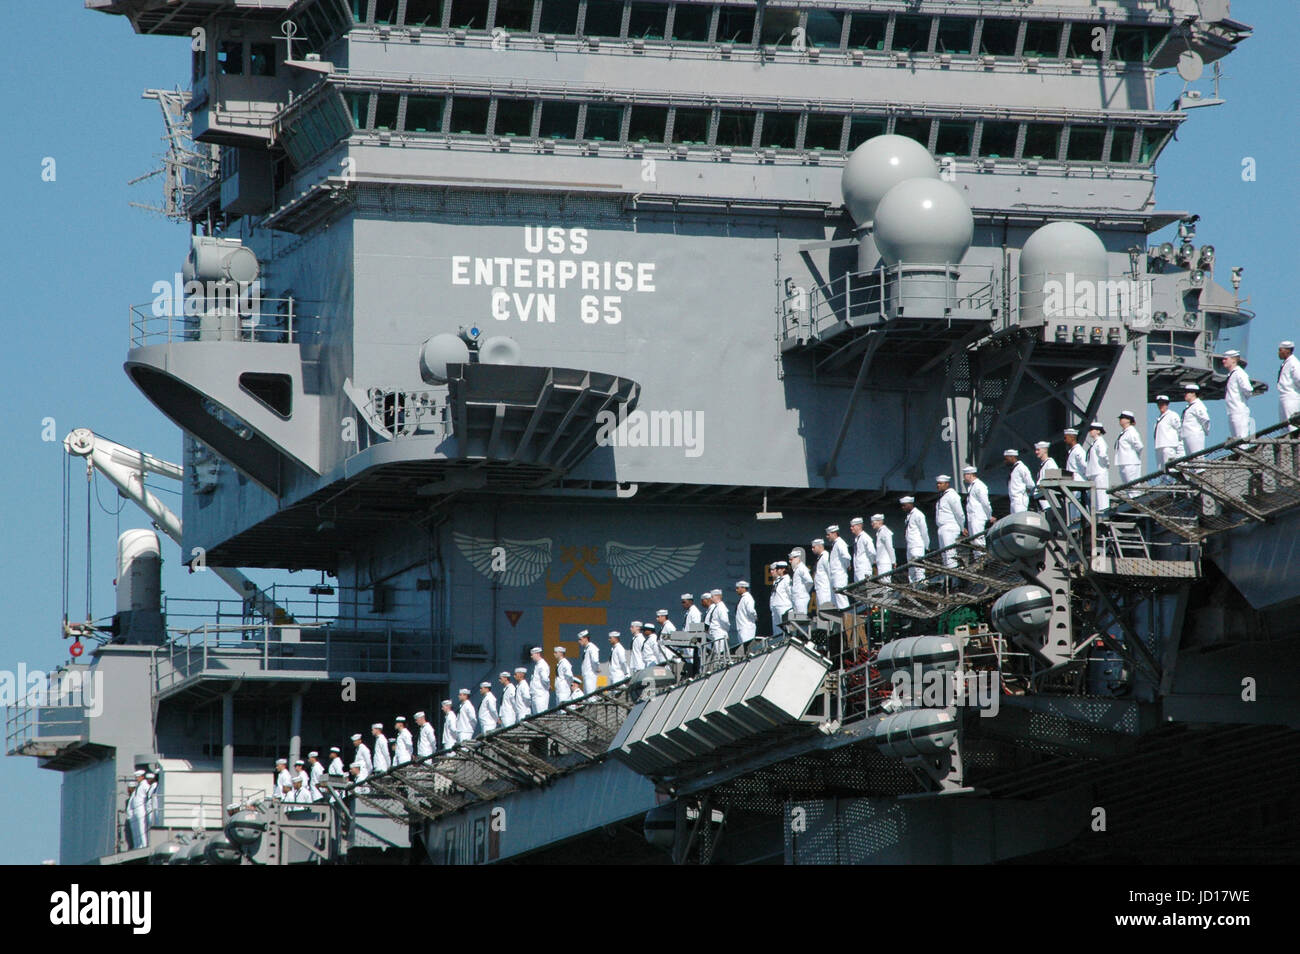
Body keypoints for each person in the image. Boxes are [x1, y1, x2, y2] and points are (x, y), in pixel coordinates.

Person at [934, 475, 964, 568]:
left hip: (950, 527)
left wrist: (962, 527)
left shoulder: (951, 495)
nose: (938, 485)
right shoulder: (942, 497)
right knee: (944, 556)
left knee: (950, 554)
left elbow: (959, 513)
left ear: (947, 484)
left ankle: (954, 577)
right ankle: (949, 578)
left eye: (940, 483)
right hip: (942, 528)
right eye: (937, 483)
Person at [1222, 350, 1254, 440]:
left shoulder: (1239, 373)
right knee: (1235, 439)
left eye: (1225, 359)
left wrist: (1241, 402)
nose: (1223, 361)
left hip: (1239, 411)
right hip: (1232, 410)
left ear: (1233, 360)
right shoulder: (1232, 374)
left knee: (1242, 438)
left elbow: (1248, 390)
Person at [900, 497, 928, 583]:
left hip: (917, 545)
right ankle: (913, 587)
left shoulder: (918, 514)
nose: (903, 507)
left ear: (910, 504)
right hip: (910, 545)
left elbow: (924, 531)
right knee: (911, 569)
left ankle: (922, 586)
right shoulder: (909, 516)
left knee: (918, 568)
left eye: (904, 505)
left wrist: (926, 545)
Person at [1152, 395, 1184, 468]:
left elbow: (1180, 430)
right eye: (1159, 404)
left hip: (1169, 446)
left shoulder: (1172, 415)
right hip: (1159, 446)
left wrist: (1179, 446)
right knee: (1161, 469)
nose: (1160, 406)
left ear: (1167, 404)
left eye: (1162, 404)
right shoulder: (1159, 418)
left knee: (1170, 467)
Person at [1085, 421, 1111, 510]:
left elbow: (1103, 455)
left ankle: (1103, 513)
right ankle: (1098, 514)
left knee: (1101, 494)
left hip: (1099, 472)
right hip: (1094, 472)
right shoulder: (1095, 442)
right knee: (1096, 496)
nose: (1090, 431)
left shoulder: (1100, 441)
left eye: (1092, 429)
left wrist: (1107, 463)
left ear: (1098, 431)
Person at [825, 526, 852, 609]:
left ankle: (847, 617)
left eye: (828, 534)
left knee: (841, 598)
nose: (827, 536)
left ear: (834, 533)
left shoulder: (840, 543)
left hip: (839, 575)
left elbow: (846, 556)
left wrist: (847, 566)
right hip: (835, 576)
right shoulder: (836, 544)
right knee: (836, 600)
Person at [1114, 411, 1144, 484]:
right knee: (1128, 487)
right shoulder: (1124, 432)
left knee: (1133, 487)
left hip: (1130, 463)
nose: (1120, 420)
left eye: (1122, 418)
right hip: (1124, 462)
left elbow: (1139, 446)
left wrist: (1133, 457)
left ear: (1128, 420)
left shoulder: (1131, 431)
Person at [1181, 385, 1211, 455]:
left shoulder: (1198, 405)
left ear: (1193, 393)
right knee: (1190, 459)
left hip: (1194, 436)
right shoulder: (1190, 406)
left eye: (1187, 392)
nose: (1185, 394)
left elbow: (1205, 420)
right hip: (1187, 436)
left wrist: (1204, 432)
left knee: (1197, 458)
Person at [962, 466, 991, 537]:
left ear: (971, 475)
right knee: (974, 541)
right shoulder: (971, 486)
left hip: (978, 517)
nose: (964, 477)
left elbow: (985, 503)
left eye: (965, 475)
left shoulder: (979, 486)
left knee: (978, 539)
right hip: (972, 517)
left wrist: (989, 515)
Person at [1005, 449, 1034, 514]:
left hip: (1020, 500)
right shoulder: (1014, 469)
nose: (1005, 461)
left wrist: (1025, 493)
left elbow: (1031, 484)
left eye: (1007, 459)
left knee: (1020, 519)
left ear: (1012, 457)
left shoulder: (1021, 467)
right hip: (1013, 500)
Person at [848, 517, 875, 582]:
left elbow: (872, 552)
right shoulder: (857, 538)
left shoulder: (865, 537)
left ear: (859, 526)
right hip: (857, 569)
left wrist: (869, 563)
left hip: (864, 568)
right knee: (858, 590)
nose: (851, 528)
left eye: (853, 526)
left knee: (864, 589)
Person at [705, 588, 730, 658]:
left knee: (719, 652)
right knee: (716, 652)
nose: (711, 599)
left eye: (712, 597)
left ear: (717, 597)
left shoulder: (721, 607)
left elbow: (725, 621)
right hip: (715, 633)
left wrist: (725, 631)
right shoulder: (716, 607)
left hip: (719, 633)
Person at [1033, 442, 1059, 509]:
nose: (1036, 452)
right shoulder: (1042, 465)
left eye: (1038, 450)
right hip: (1041, 497)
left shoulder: (1050, 463)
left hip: (1047, 499)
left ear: (1045, 450)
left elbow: (1054, 479)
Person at [769, 561, 792, 635]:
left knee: (785, 628)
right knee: (776, 630)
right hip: (776, 607)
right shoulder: (778, 580)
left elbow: (790, 594)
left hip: (784, 607)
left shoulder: (787, 579)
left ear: (783, 569)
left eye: (778, 568)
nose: (776, 570)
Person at [126, 770, 148, 848]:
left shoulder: (145, 785)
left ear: (142, 776)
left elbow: (147, 796)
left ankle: (144, 844)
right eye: (136, 777)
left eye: (138, 777)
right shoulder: (139, 786)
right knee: (137, 830)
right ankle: (138, 845)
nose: (137, 778)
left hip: (141, 809)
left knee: (142, 829)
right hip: (136, 810)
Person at [810, 538, 834, 610]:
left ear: (820, 546)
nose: (812, 549)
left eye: (814, 547)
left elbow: (830, 572)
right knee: (820, 610)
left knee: (825, 610)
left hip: (825, 589)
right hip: (820, 589)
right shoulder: (820, 558)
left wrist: (831, 588)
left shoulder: (825, 557)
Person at [788, 548, 813, 614]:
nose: (790, 561)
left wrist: (803, 591)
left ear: (797, 559)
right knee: (797, 619)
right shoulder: (797, 569)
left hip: (801, 598)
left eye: (791, 559)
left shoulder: (802, 568)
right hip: (797, 598)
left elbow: (809, 581)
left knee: (802, 618)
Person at [734, 581, 756, 652]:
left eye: (738, 588)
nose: (736, 590)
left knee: (747, 648)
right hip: (742, 627)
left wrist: (755, 617)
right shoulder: (743, 598)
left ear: (743, 588)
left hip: (747, 627)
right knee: (742, 648)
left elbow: (751, 611)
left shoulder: (747, 598)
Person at [529, 646, 551, 712]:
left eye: (532, 655)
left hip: (541, 694)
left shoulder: (542, 665)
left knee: (540, 716)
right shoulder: (537, 665)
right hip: (536, 694)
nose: (531, 657)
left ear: (538, 654)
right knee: (536, 717)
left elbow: (545, 679)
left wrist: (547, 687)